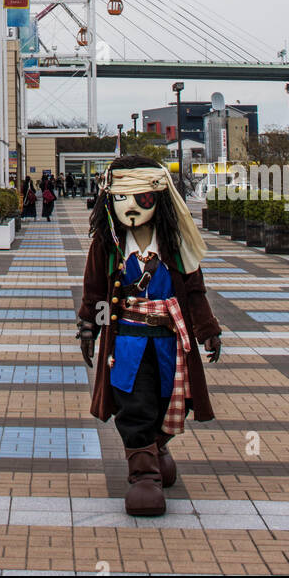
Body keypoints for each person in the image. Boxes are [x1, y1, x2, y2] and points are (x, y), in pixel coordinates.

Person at [77, 155, 221, 517]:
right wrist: (89, 327)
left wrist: (207, 330)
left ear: (159, 199)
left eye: (140, 198)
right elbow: (95, 291)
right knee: (133, 404)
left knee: (170, 401)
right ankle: (143, 474)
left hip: (169, 342)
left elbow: (194, 291)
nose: (131, 207)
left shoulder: (175, 244)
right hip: (126, 342)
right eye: (121, 198)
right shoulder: (107, 244)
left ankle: (157, 448)